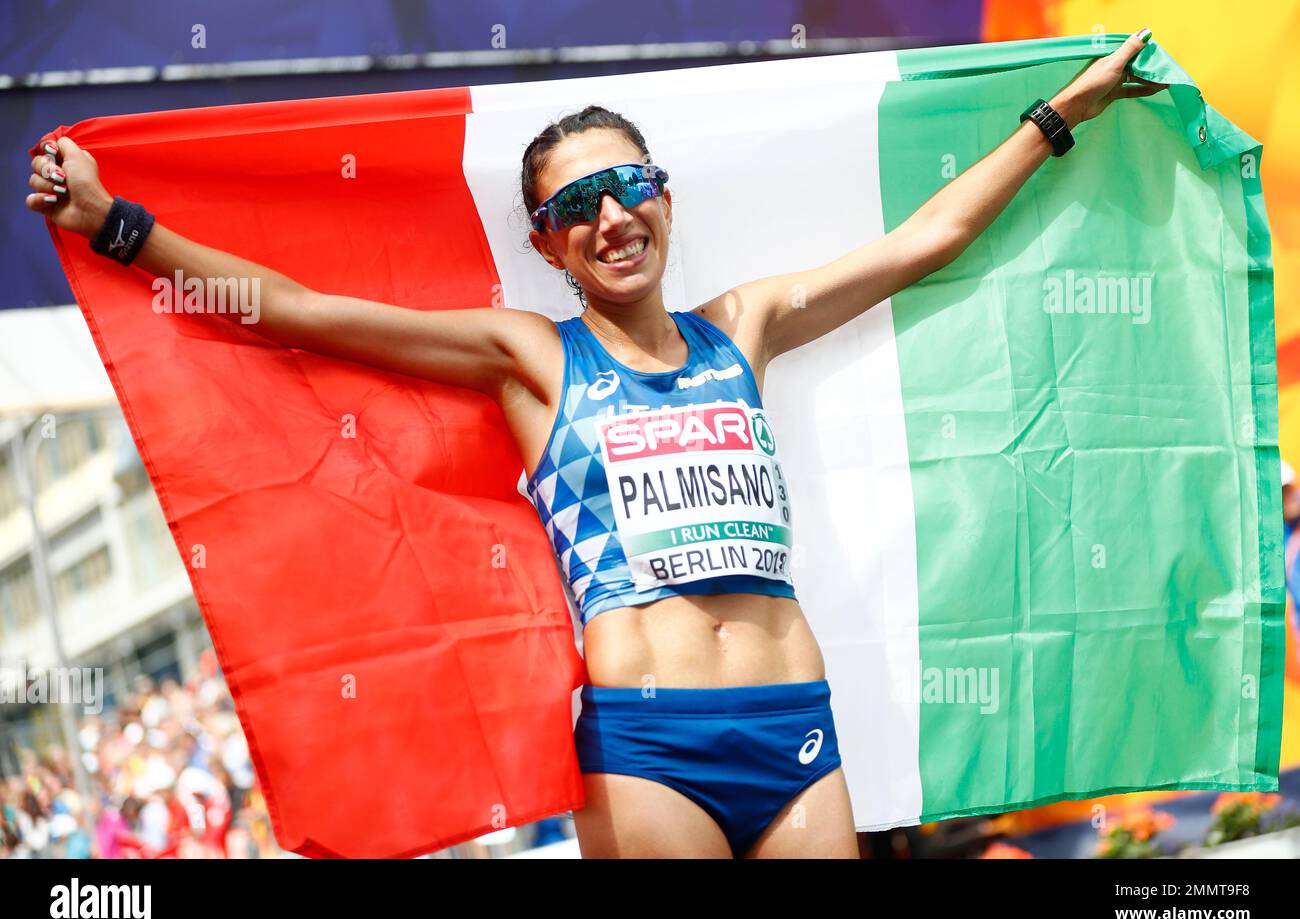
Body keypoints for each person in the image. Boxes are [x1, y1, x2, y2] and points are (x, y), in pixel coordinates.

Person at [24, 30, 1163, 858]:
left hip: (795, 725)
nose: (610, 217)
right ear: (550, 246)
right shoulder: (531, 357)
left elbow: (931, 238)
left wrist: (1067, 110)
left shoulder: (745, 325)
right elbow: (303, 313)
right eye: (578, 209)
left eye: (628, 188)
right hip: (649, 747)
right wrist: (119, 229)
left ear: (663, 200)